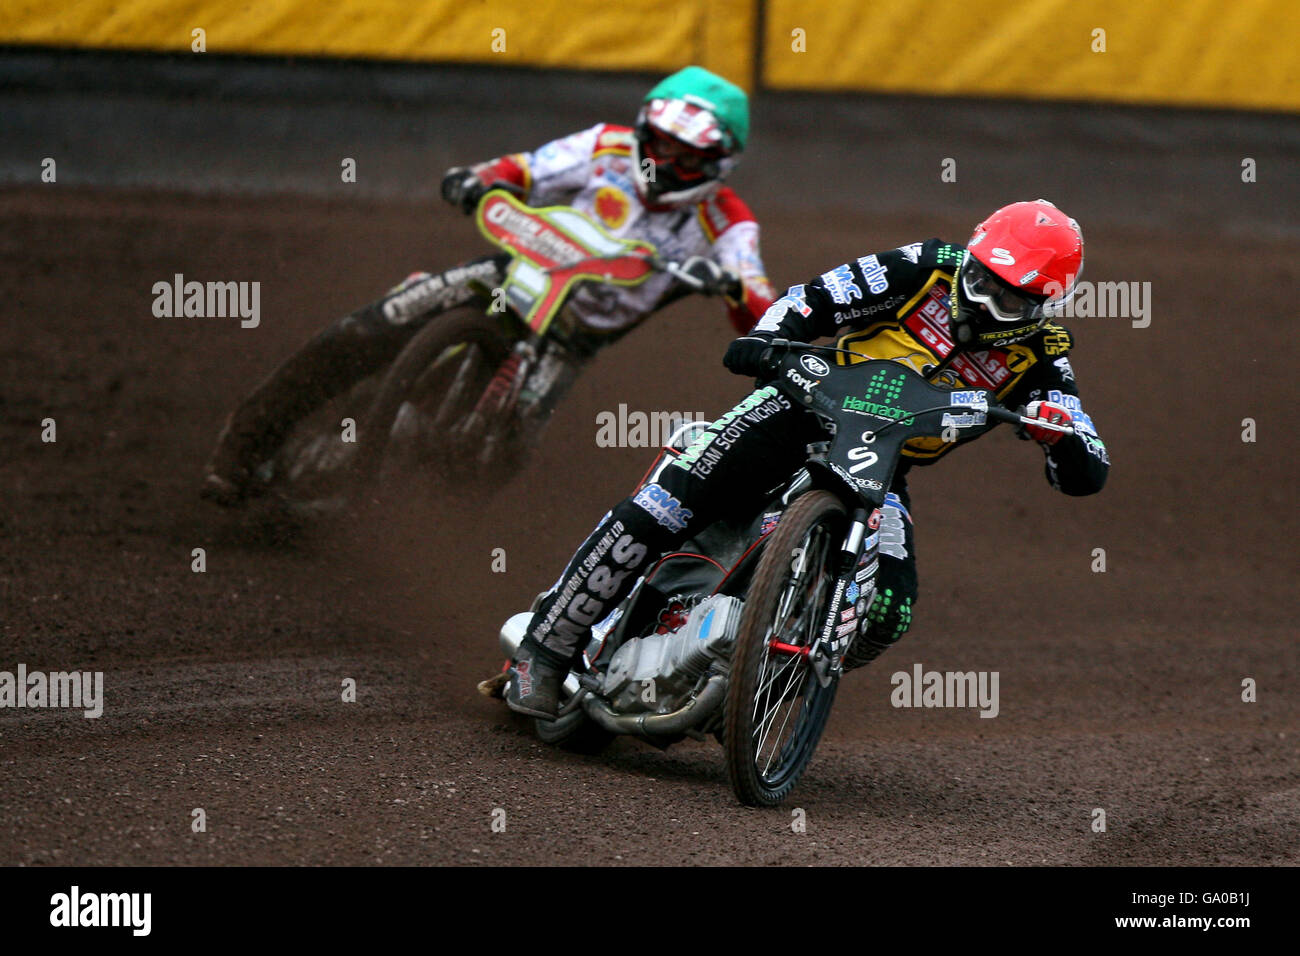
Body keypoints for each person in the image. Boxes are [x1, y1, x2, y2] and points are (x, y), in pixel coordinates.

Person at [507, 199, 1109, 719]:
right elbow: (816, 296)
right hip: (802, 408)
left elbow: (1087, 461)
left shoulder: (1044, 357)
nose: (983, 302)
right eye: (980, 281)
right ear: (971, 257)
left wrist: (1061, 438)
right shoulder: (924, 265)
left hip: (884, 470)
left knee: (890, 611)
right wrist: (768, 341)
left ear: (1043, 306)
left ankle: (759, 694)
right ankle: (547, 647)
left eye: (1009, 299)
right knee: (671, 501)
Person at [202, 65, 776, 504]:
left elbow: (763, 305)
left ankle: (401, 524)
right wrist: (477, 180)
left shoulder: (728, 220)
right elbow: (526, 169)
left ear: (719, 164)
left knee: (489, 464)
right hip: (508, 278)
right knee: (372, 326)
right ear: (642, 131)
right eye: (658, 145)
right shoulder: (605, 146)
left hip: (570, 336)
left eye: (685, 157)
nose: (663, 164)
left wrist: (733, 290)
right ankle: (244, 446)